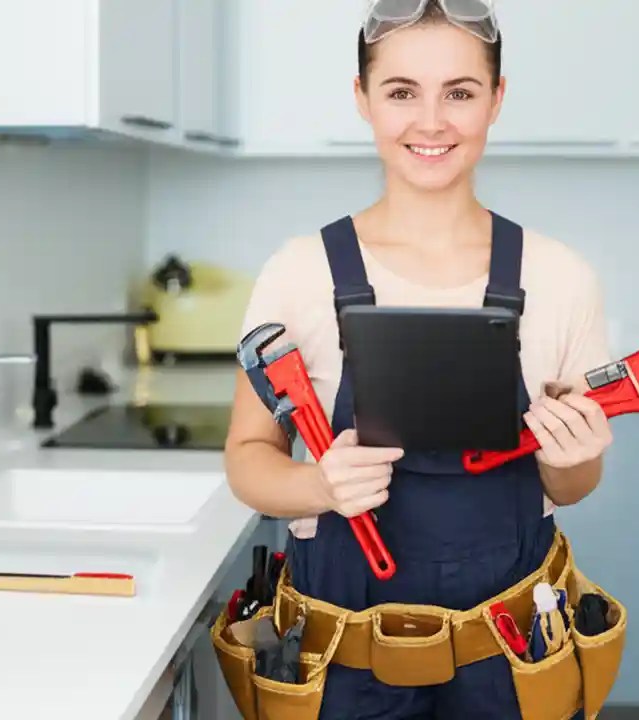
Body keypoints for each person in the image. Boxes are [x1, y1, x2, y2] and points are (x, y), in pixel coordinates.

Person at [224, 1, 615, 717]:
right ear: (362, 99)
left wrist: (572, 454)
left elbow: (572, 486)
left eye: (459, 92)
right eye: (402, 91)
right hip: (342, 664)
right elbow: (248, 458)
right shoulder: (298, 272)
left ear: (496, 100)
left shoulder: (561, 277)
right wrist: (320, 487)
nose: (431, 122)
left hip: (508, 664)